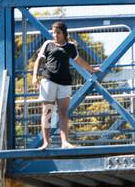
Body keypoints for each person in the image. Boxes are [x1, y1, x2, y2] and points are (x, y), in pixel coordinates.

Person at [31, 21, 91, 149]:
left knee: (63, 113)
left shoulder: (70, 46)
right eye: (53, 33)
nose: (55, 35)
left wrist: (91, 69)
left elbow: (79, 60)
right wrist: (34, 76)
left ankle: (65, 142)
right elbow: (39, 60)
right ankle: (46, 142)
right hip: (48, 80)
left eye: (58, 33)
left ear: (64, 33)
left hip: (65, 82)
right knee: (47, 111)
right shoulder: (48, 44)